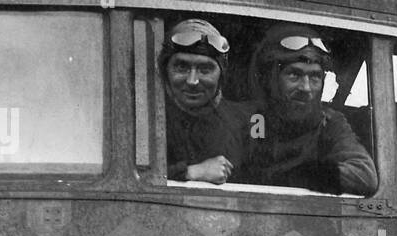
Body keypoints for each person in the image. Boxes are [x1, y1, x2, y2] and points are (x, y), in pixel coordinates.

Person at [237, 22, 377, 195]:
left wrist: (305, 175)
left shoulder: (330, 122)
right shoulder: (246, 117)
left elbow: (365, 175)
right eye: (294, 74)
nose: (306, 88)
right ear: (271, 77)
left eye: (315, 77)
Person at [159, 18, 249, 183]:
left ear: (221, 74)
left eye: (205, 69)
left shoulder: (242, 122)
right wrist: (190, 172)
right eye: (181, 67)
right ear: (166, 71)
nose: (192, 81)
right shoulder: (148, 116)